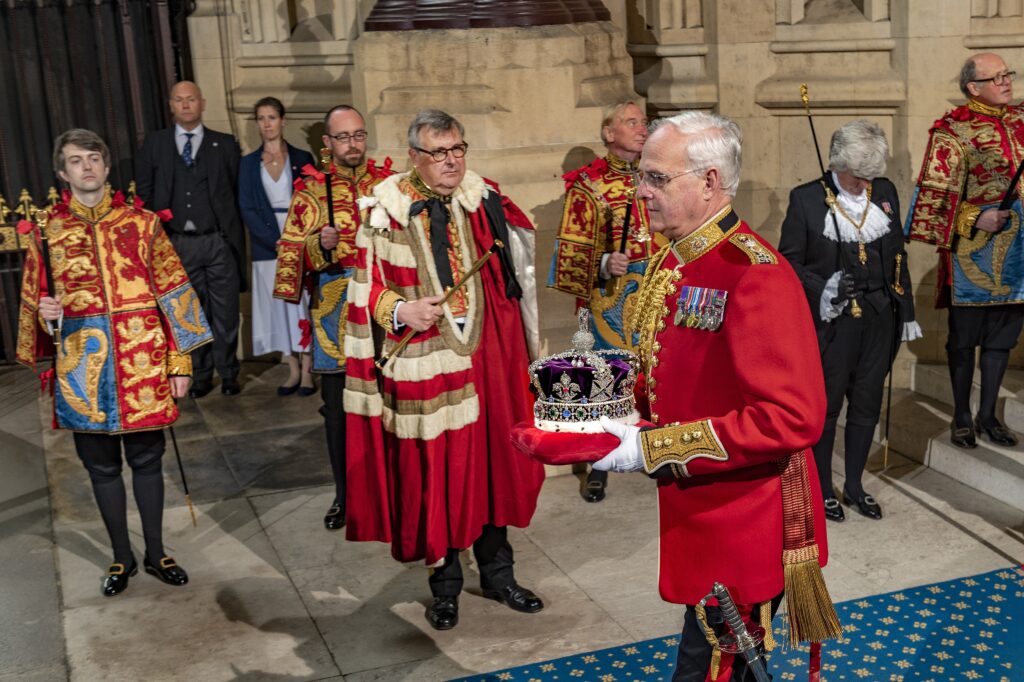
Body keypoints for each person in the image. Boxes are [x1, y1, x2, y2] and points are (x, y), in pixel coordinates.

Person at [594, 112, 841, 681]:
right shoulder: (674, 257)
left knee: (713, 670)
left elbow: (791, 418)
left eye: (657, 178)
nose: (641, 190)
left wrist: (651, 447)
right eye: (642, 176)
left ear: (709, 183)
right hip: (700, 505)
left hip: (745, 519)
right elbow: (674, 369)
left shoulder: (755, 274)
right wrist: (616, 414)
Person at [343, 109, 545, 631]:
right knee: (442, 472)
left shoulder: (482, 199)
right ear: (415, 156)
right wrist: (400, 310)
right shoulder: (386, 210)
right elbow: (364, 289)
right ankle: (447, 586)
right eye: (439, 152)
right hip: (427, 356)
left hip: (489, 352)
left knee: (496, 463)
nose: (451, 161)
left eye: (458, 149)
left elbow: (515, 261)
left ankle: (500, 575)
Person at [17, 129, 212, 596]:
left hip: (142, 362)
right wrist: (48, 318)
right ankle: (121, 557)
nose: (87, 167)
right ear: (63, 174)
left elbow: (174, 290)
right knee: (101, 467)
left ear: (106, 167)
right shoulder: (47, 231)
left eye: (94, 158)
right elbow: (35, 311)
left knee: (148, 461)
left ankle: (156, 552)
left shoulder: (143, 224)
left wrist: (180, 363)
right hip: (84, 369)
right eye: (75, 161)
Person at [778, 121, 920, 523]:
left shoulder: (884, 190)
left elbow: (897, 256)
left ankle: (855, 485)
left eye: (870, 177)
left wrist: (906, 310)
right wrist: (821, 286)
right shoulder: (806, 199)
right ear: (838, 164)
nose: (865, 185)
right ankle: (822, 488)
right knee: (827, 409)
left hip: (880, 318)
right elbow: (788, 261)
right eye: (858, 177)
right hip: (833, 321)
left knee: (867, 402)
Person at [273, 105, 393, 530]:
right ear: (327, 144)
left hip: (384, 308)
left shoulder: (388, 186)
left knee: (389, 399)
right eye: (343, 137)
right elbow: (290, 254)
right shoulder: (311, 193)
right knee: (339, 409)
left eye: (359, 135)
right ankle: (345, 495)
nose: (353, 144)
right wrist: (318, 245)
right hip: (334, 312)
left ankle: (392, 490)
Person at [906, 52, 1024, 449]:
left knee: (1001, 342)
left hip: (1019, 258)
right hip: (972, 256)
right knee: (963, 342)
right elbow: (932, 205)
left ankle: (988, 414)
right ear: (973, 88)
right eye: (997, 78)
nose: (1007, 82)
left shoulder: (1023, 121)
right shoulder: (952, 131)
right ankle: (961, 415)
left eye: (1008, 74)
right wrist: (975, 218)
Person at [548, 100, 658, 503]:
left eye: (643, 122)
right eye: (631, 122)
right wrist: (603, 262)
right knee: (603, 382)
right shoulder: (588, 186)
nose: (641, 128)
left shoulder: (658, 176)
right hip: (608, 304)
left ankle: (656, 450)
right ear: (609, 133)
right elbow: (567, 259)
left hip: (655, 294)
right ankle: (597, 465)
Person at [135, 80, 246, 398]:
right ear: (171, 105)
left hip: (217, 240)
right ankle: (199, 374)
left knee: (225, 310)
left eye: (191, 99)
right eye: (179, 100)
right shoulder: (155, 144)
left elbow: (235, 192)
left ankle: (228, 372)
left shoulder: (223, 144)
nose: (185, 105)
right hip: (176, 243)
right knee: (189, 311)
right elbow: (144, 193)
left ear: (202, 103)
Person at [239, 97, 316, 396]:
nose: (267, 123)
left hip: (299, 239)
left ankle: (308, 368)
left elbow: (313, 201)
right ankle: (292, 367)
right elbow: (246, 207)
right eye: (261, 118)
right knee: (278, 307)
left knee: (302, 304)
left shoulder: (302, 157)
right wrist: (275, 241)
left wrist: (296, 239)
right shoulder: (248, 164)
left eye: (272, 117)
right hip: (266, 245)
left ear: (283, 120)